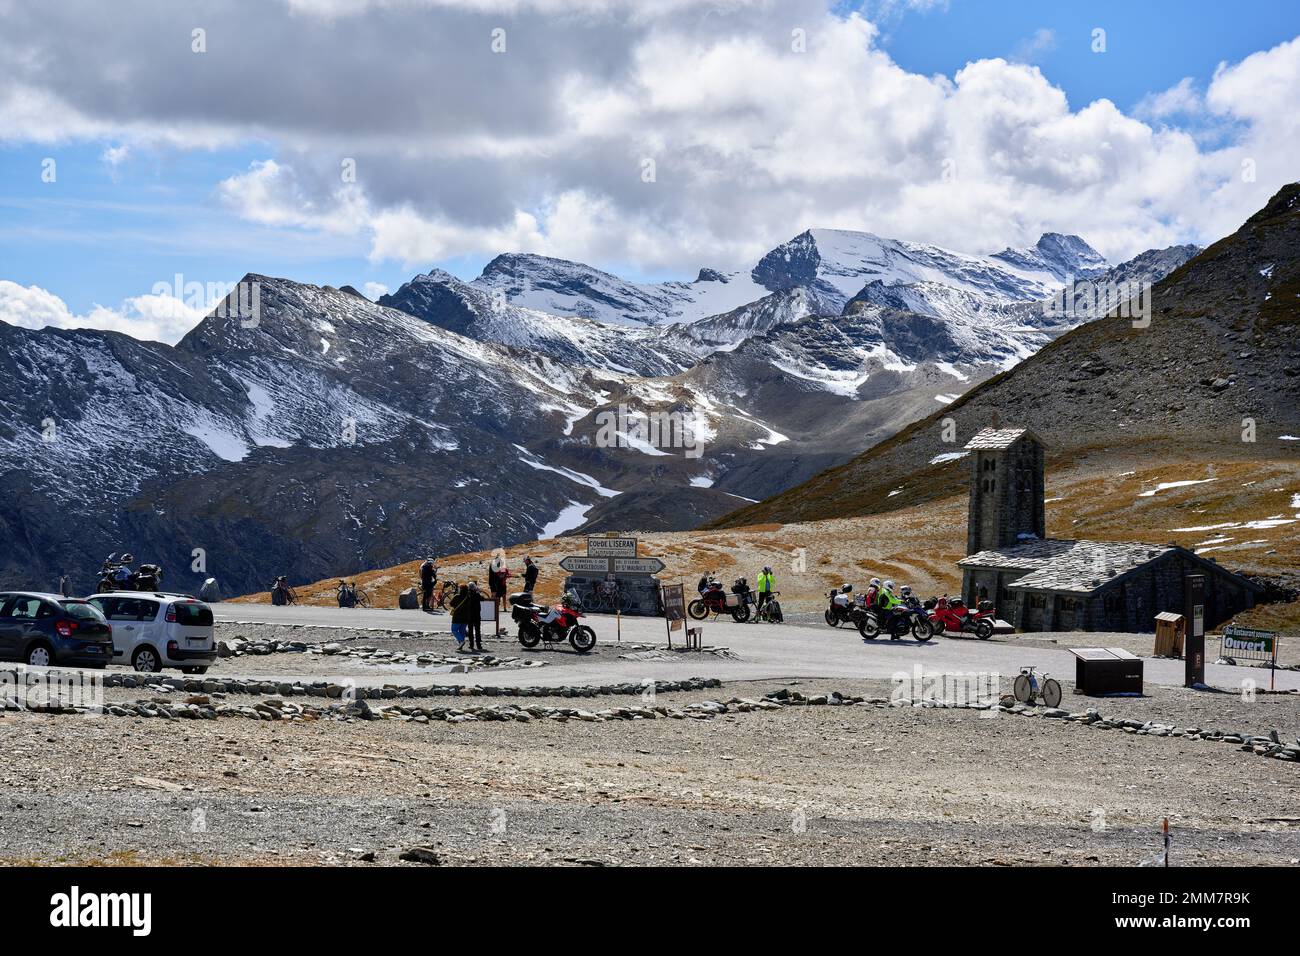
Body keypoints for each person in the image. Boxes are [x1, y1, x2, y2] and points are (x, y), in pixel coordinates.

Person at [449, 582, 472, 651]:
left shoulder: (457, 596)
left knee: (454, 629)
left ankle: (461, 641)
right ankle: (460, 645)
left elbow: (451, 604)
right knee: (462, 631)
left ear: (460, 589)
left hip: (457, 616)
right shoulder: (468, 597)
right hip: (466, 617)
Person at [464, 581, 485, 652]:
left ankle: (471, 644)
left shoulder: (467, 594)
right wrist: (478, 592)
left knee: (470, 630)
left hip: (469, 614)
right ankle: (479, 645)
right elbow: (483, 599)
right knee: (477, 630)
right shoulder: (477, 594)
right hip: (476, 615)